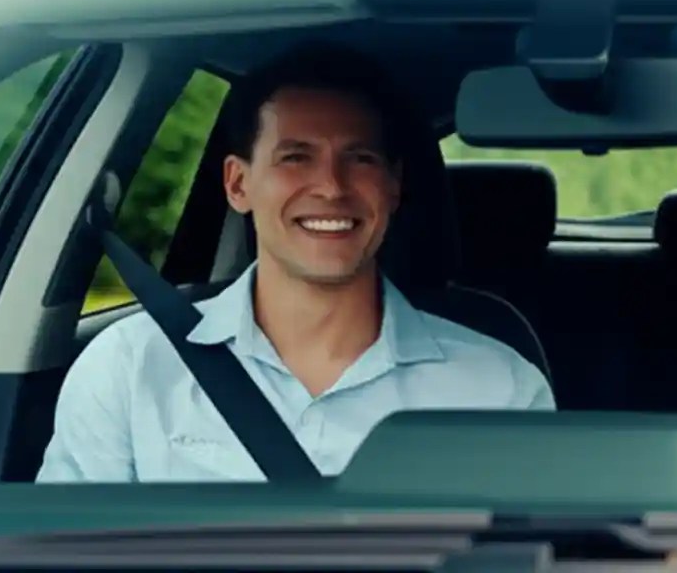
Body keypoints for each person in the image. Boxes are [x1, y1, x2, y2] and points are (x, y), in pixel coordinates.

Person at [38, 44, 555, 483]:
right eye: (296, 157)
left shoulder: (499, 389)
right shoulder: (129, 370)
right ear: (238, 184)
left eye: (361, 158)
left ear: (393, 187)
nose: (331, 187)